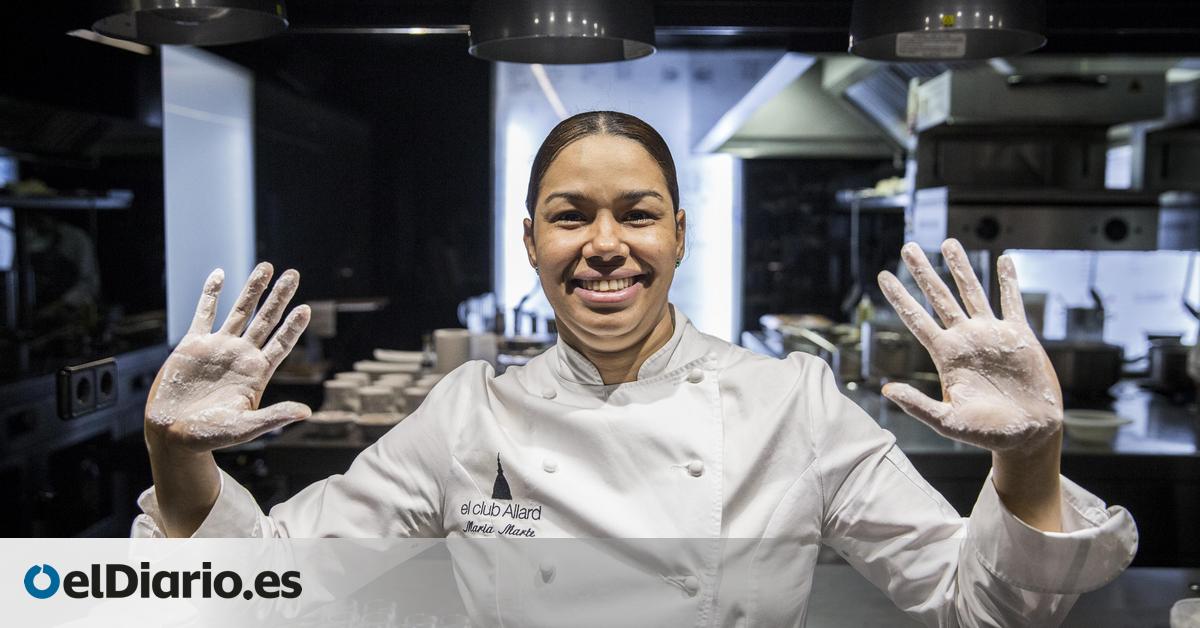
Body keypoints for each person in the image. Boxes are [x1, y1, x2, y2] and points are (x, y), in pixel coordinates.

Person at [133, 111, 1136, 626]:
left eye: (637, 212)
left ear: (679, 233)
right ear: (532, 242)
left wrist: (1031, 461)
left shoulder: (793, 405)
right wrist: (177, 456)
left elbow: (982, 608)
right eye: (571, 215)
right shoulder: (465, 415)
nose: (604, 242)